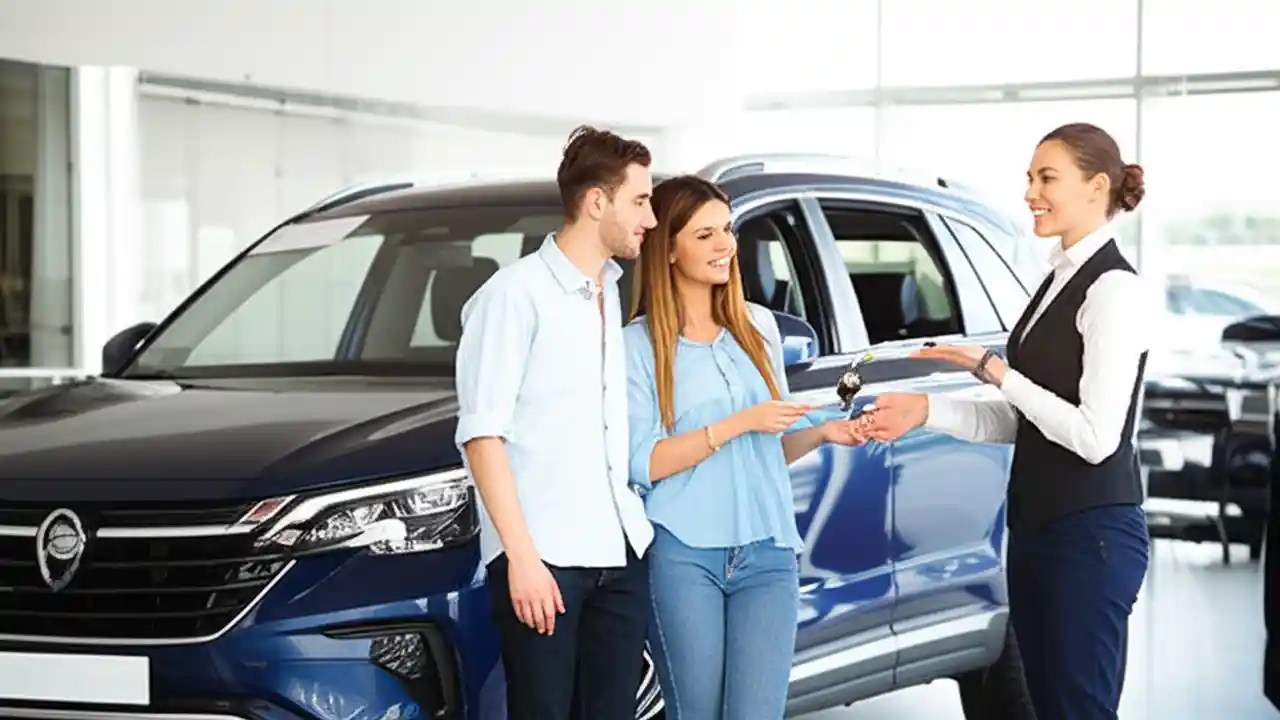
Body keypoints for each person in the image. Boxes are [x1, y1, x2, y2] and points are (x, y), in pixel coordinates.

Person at [858, 122, 1153, 720]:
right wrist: (926, 411)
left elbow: (1096, 438)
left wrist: (994, 369)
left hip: (1089, 538)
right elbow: (1030, 419)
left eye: (1047, 178)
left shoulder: (1114, 290)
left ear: (1097, 186)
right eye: (1029, 177)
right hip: (1038, 533)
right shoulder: (1059, 278)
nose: (1030, 193)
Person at [623, 175, 867, 719]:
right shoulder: (634, 347)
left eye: (728, 231)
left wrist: (824, 432)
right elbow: (644, 462)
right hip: (683, 556)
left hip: (768, 553)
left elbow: (768, 449)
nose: (725, 246)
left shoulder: (759, 328)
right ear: (667, 249)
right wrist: (735, 424)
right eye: (705, 234)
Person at [454, 125, 658, 719]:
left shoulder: (610, 290)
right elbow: (482, 435)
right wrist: (521, 558)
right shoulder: (512, 297)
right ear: (598, 202)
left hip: (617, 552)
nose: (650, 217)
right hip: (543, 563)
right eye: (640, 201)